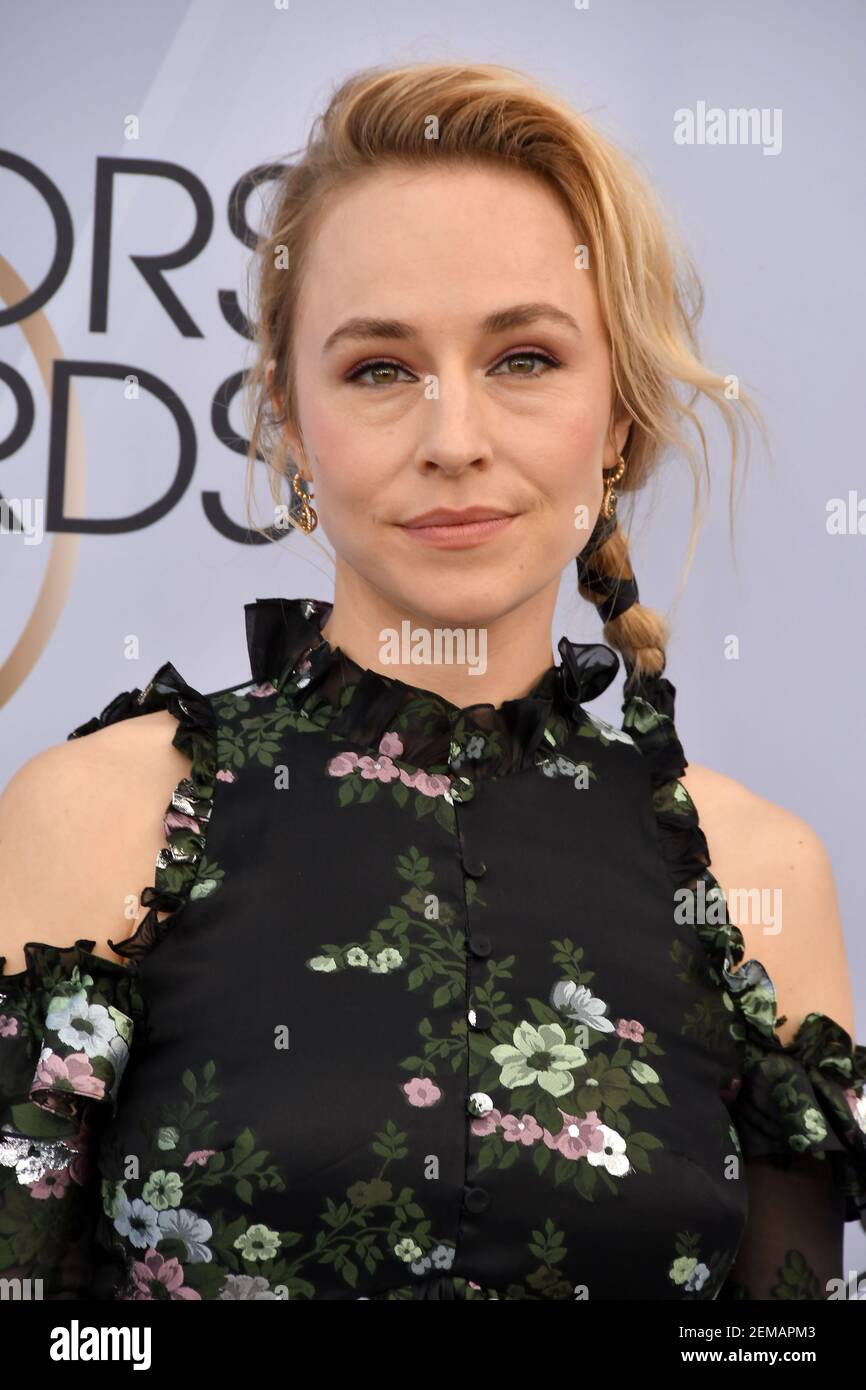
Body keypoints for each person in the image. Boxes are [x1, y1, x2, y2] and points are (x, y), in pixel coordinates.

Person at [1, 60, 864, 1303]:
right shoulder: (95, 824)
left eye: (522, 358)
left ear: (613, 422)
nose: (453, 438)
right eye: (378, 369)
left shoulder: (755, 881)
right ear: (291, 427)